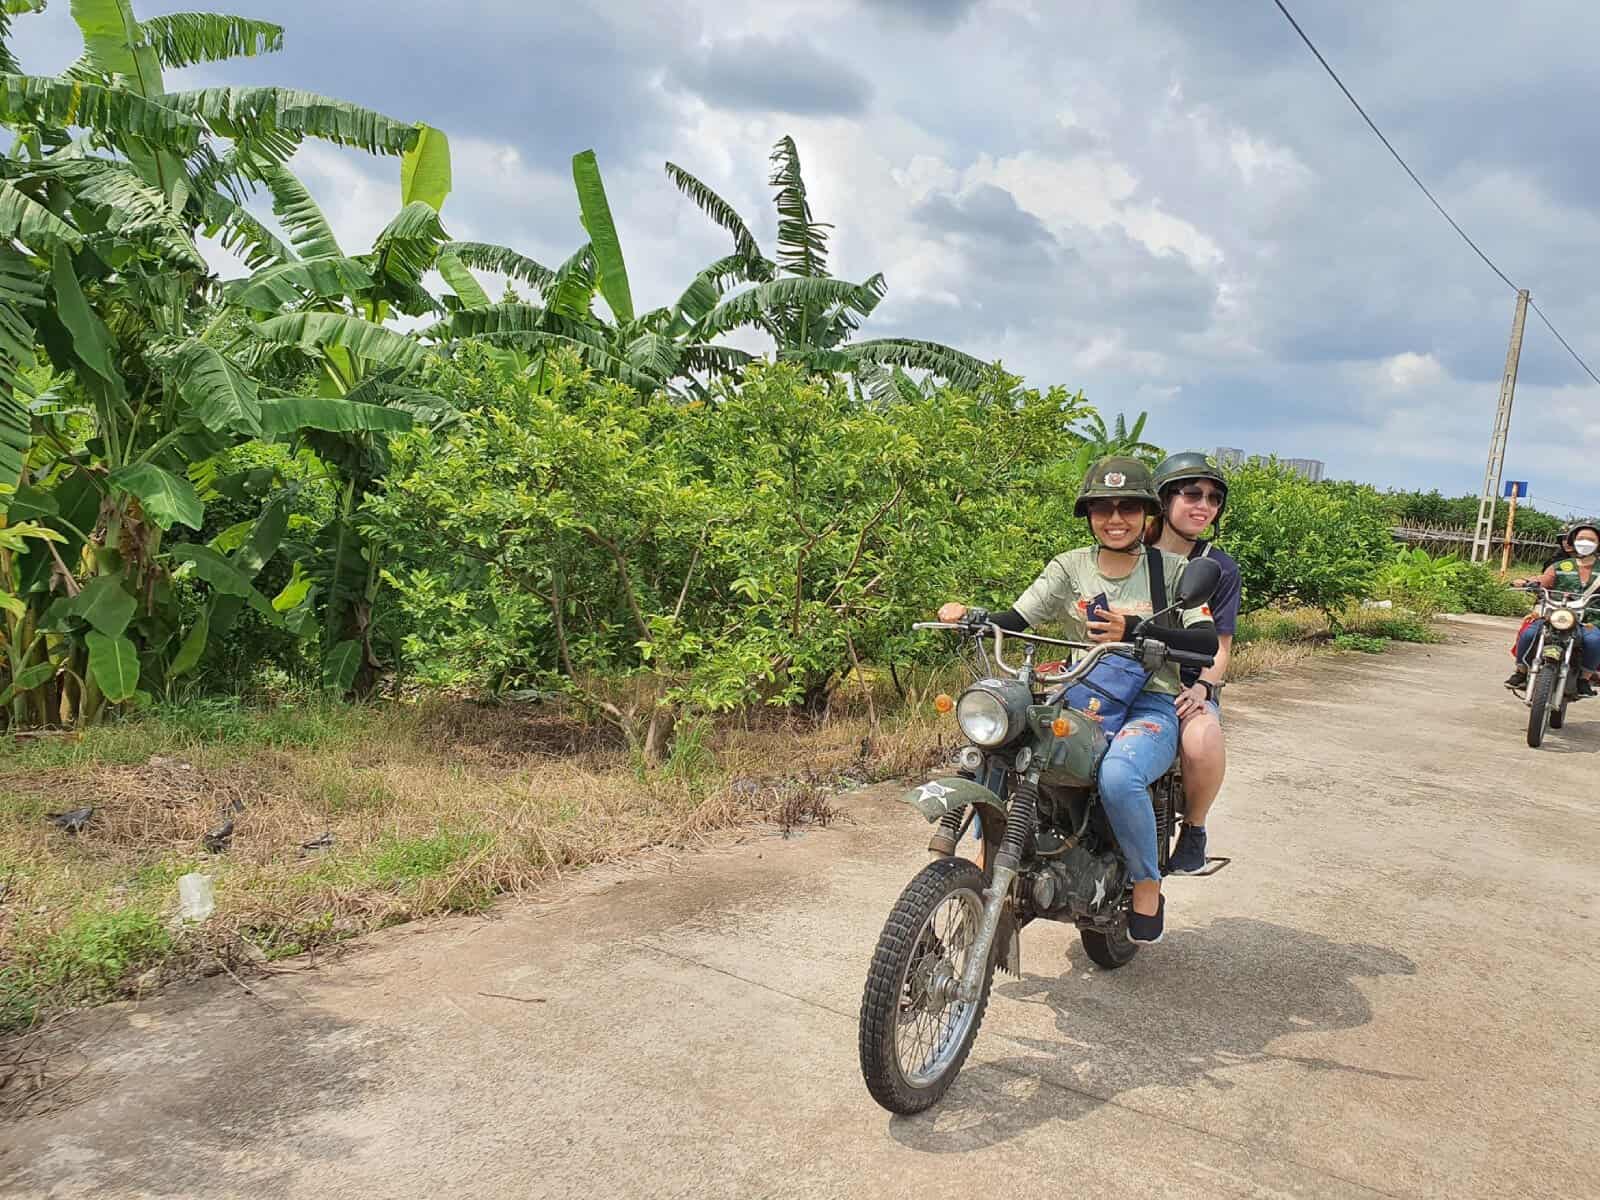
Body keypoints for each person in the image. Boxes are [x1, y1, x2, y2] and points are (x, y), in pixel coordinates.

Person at [937, 456, 1219, 944]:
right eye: (1102, 507)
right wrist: (972, 614)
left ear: (1147, 514)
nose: (1115, 518)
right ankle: (989, 859)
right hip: (1082, 694)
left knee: (1120, 775)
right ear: (1088, 514)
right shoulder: (1069, 567)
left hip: (1149, 703)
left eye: (1128, 507)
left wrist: (1134, 630)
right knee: (1006, 745)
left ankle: (1145, 881)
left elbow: (1206, 642)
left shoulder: (1173, 570)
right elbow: (1017, 618)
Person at [1148, 452, 1242, 875]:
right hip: (1118, 675)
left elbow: (1220, 646)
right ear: (1163, 500)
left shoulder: (1220, 569)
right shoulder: (1128, 551)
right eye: (1192, 494)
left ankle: (1195, 829)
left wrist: (1202, 689)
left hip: (1183, 683)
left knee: (1202, 737)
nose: (1203, 505)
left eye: (1213, 498)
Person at [1505, 524, 1600, 692]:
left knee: (1594, 640)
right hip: (1556, 614)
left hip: (1589, 620)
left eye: (1590, 540)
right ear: (1573, 542)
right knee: (1529, 633)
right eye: (1581, 539)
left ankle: (1584, 679)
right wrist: (1526, 582)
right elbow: (1543, 579)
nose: (1585, 542)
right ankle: (1521, 671)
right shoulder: (1562, 566)